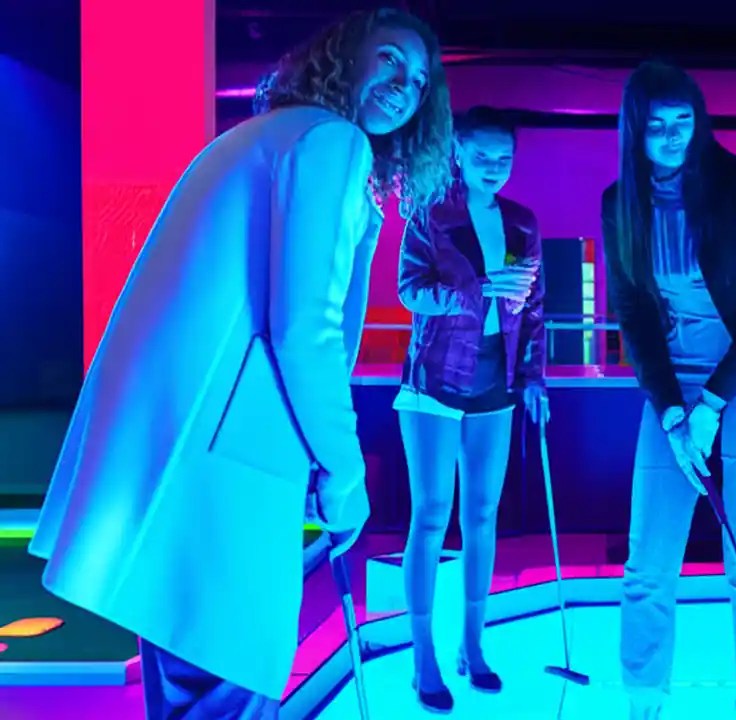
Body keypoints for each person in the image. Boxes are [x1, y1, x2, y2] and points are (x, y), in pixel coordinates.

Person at [26, 9, 454, 718]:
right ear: (344, 56)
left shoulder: (261, 138)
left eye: (418, 80)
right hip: (230, 480)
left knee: (191, 695)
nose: (403, 86)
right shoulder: (330, 142)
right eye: (389, 60)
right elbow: (304, 332)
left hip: (186, 480)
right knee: (229, 698)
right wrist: (346, 476)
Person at [602, 60, 736, 719]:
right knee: (649, 558)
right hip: (679, 378)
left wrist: (712, 407)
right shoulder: (621, 203)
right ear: (635, 133)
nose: (672, 137)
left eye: (683, 122)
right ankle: (642, 702)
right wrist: (672, 413)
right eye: (657, 126)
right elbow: (635, 316)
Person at [394, 105, 547, 712]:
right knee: (431, 515)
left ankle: (472, 645)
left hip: (495, 380)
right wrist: (475, 290)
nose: (494, 168)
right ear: (458, 151)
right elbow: (410, 290)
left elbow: (533, 308)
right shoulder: (430, 214)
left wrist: (534, 378)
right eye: (483, 156)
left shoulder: (522, 223)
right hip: (433, 378)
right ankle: (422, 655)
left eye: (504, 159)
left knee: (482, 514)